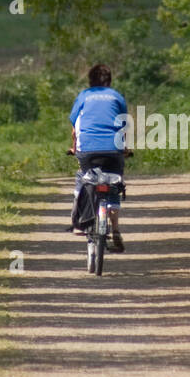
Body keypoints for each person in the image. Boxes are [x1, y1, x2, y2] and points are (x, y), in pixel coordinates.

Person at [68, 63, 129, 251]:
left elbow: (75, 128)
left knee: (84, 177)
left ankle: (79, 223)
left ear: (90, 80)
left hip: (88, 151)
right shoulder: (117, 96)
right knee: (114, 184)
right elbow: (123, 125)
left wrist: (74, 148)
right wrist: (124, 149)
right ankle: (116, 228)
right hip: (113, 150)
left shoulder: (83, 96)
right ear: (109, 81)